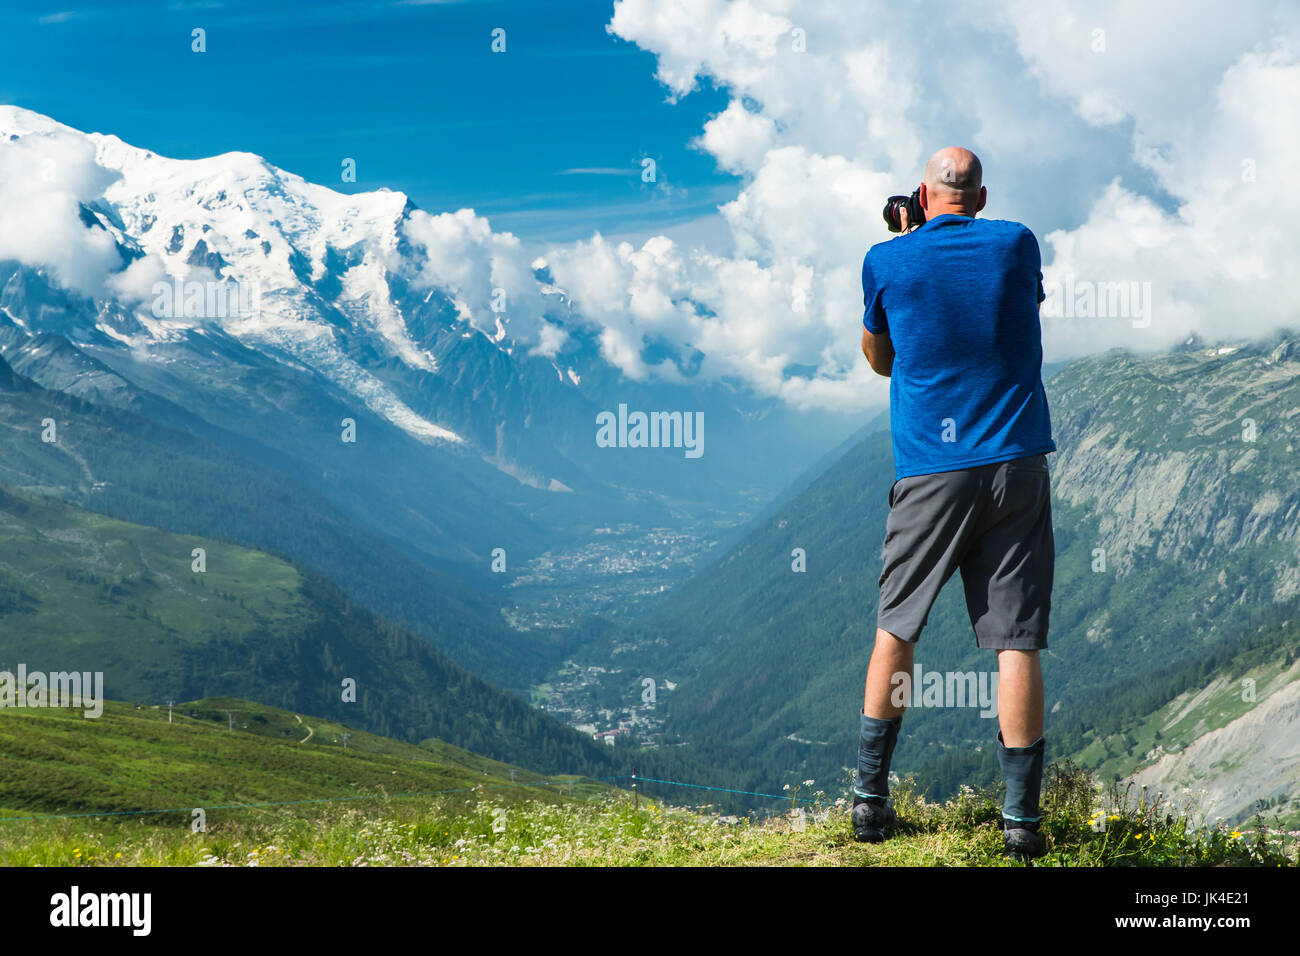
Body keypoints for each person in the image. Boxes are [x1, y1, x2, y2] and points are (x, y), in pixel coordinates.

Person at [854, 147, 1056, 861]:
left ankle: (871, 805)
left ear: (919, 194)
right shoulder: (1017, 242)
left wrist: (909, 244)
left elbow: (884, 360)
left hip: (932, 471)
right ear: (983, 196)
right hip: (1016, 462)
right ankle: (1021, 824)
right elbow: (1006, 309)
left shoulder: (886, 259)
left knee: (897, 624)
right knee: (1017, 638)